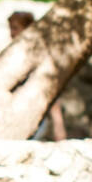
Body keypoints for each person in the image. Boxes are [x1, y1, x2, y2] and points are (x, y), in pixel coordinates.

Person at [8, 10, 67, 141]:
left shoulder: (39, 56)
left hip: (33, 118)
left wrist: (58, 124)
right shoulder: (13, 56)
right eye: (11, 28)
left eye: (16, 28)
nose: (12, 33)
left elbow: (50, 86)